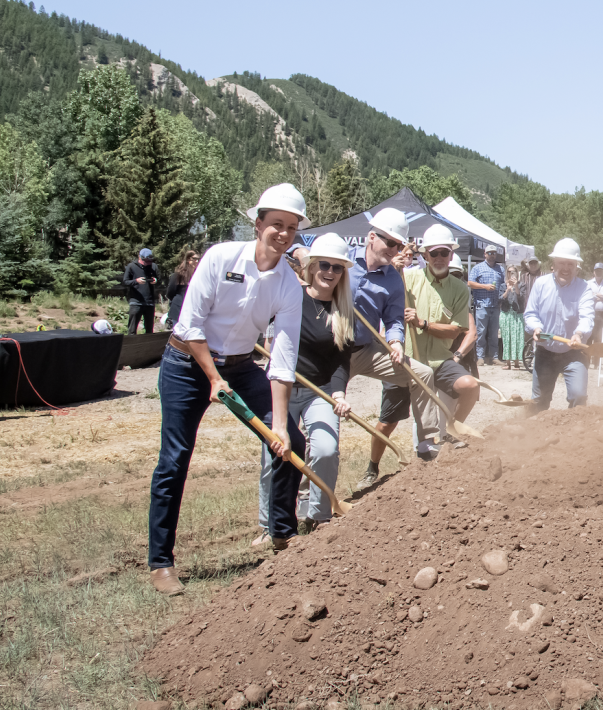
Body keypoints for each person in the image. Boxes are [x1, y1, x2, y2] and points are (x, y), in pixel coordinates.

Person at [150, 184, 307, 596]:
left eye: (291, 227)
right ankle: (161, 562)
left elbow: (284, 357)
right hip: (186, 363)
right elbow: (189, 324)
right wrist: (211, 377)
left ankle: (281, 533)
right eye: (276, 224)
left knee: (291, 440)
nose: (284, 234)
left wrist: (279, 424)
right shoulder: (221, 257)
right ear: (258, 224)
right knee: (175, 458)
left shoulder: (289, 285)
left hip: (239, 367)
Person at [255, 232, 359, 541]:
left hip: (320, 390)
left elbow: (342, 360)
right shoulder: (292, 296)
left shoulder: (344, 310)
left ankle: (319, 516)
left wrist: (339, 392)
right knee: (275, 455)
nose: (329, 272)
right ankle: (267, 525)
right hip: (282, 388)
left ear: (343, 273)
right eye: (324, 264)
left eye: (337, 267)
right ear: (312, 267)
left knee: (326, 450)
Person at [348, 207, 439, 492]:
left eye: (399, 245)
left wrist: (397, 341)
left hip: (365, 349)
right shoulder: (341, 262)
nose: (395, 249)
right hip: (330, 354)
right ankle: (308, 497)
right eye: (390, 243)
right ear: (371, 237)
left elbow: (394, 319)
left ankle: (427, 447)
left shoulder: (392, 279)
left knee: (422, 374)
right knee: (318, 422)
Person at [404, 224, 480, 446]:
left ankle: (450, 430)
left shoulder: (460, 289)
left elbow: (457, 328)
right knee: (388, 419)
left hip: (439, 360)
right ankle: (373, 465)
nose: (439, 258)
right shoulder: (407, 278)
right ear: (425, 254)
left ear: (451, 254)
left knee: (471, 385)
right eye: (434, 253)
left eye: (444, 252)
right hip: (409, 359)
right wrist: (393, 267)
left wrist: (423, 324)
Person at [523, 238, 595, 412]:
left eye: (570, 264)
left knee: (579, 398)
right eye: (562, 262)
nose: (565, 268)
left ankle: (574, 436)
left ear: (577, 265)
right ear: (553, 263)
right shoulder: (541, 284)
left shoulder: (584, 288)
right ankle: (535, 436)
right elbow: (530, 314)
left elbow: (587, 317)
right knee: (539, 401)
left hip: (574, 353)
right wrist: (536, 328)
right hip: (545, 352)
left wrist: (579, 334)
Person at [467, 245, 506, 367]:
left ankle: (494, 357)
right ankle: (480, 357)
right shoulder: (478, 268)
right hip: (482, 305)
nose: (492, 255)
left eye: (494, 253)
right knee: (481, 332)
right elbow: (470, 283)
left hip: (495, 305)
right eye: (489, 253)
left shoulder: (501, 269)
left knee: (494, 333)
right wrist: (485, 286)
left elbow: (504, 285)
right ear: (485, 254)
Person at [164, 246, 200, 328]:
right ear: (188, 259)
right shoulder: (178, 275)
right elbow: (170, 292)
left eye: (198, 259)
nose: (197, 261)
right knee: (178, 336)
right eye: (194, 259)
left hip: (192, 311)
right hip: (178, 309)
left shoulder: (198, 275)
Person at [125, 248, 159, 334]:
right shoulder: (131, 266)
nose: (148, 263)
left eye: (149, 261)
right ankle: (131, 345)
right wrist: (136, 281)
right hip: (136, 302)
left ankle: (148, 346)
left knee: (149, 330)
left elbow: (160, 280)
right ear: (140, 258)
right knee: (132, 330)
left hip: (150, 303)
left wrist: (156, 280)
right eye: (146, 261)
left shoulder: (153, 267)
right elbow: (125, 281)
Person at [501, 265, 526, 369]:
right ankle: (507, 363)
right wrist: (507, 289)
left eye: (513, 272)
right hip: (506, 314)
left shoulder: (522, 285)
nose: (511, 274)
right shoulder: (503, 285)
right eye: (509, 272)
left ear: (517, 273)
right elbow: (501, 298)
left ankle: (516, 362)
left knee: (517, 337)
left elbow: (522, 298)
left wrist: (516, 286)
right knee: (506, 337)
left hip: (517, 314)